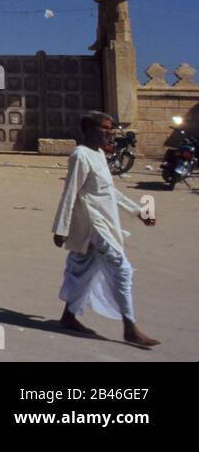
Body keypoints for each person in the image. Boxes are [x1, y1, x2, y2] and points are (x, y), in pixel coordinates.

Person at [53, 110, 160, 347]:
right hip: (94, 225)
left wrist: (138, 211)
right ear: (89, 129)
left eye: (111, 129)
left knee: (82, 270)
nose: (110, 133)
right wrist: (61, 227)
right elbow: (70, 192)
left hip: (106, 221)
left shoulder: (99, 154)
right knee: (122, 270)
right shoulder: (80, 155)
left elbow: (109, 191)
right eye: (105, 128)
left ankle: (68, 317)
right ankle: (130, 328)